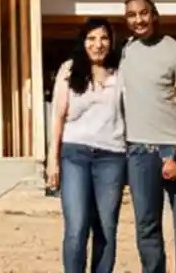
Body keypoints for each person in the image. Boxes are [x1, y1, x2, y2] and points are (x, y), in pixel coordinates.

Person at [119, 0, 176, 273]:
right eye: (132, 15)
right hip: (139, 153)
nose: (138, 20)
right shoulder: (126, 51)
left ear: (154, 15)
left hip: (174, 151)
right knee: (146, 227)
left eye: (143, 13)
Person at [47, 17, 126, 273]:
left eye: (103, 38)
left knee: (106, 228)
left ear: (111, 42)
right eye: (91, 38)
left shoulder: (122, 73)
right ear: (83, 42)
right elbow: (58, 116)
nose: (98, 44)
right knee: (76, 227)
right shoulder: (69, 70)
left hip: (112, 156)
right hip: (74, 155)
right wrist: (53, 162)